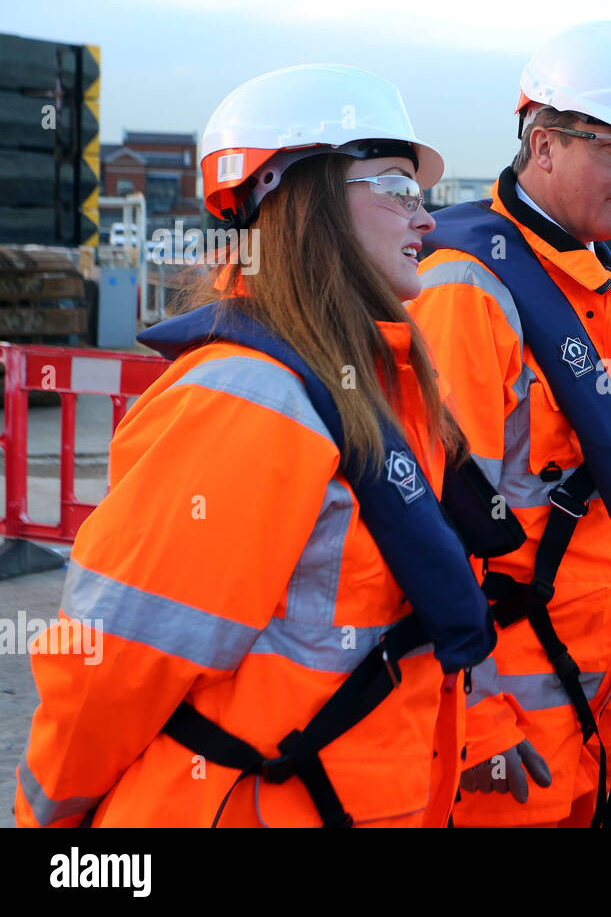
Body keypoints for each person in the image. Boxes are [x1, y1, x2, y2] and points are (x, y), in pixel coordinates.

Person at [16, 63, 510, 828]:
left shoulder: (374, 388)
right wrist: (50, 823)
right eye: (399, 189)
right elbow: (113, 664)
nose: (427, 221)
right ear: (303, 198)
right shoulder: (249, 399)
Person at [408, 21, 611, 827]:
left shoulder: (590, 278)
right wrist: (481, 727)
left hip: (587, 707)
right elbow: (426, 531)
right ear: (544, 141)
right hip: (505, 728)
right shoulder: (470, 293)